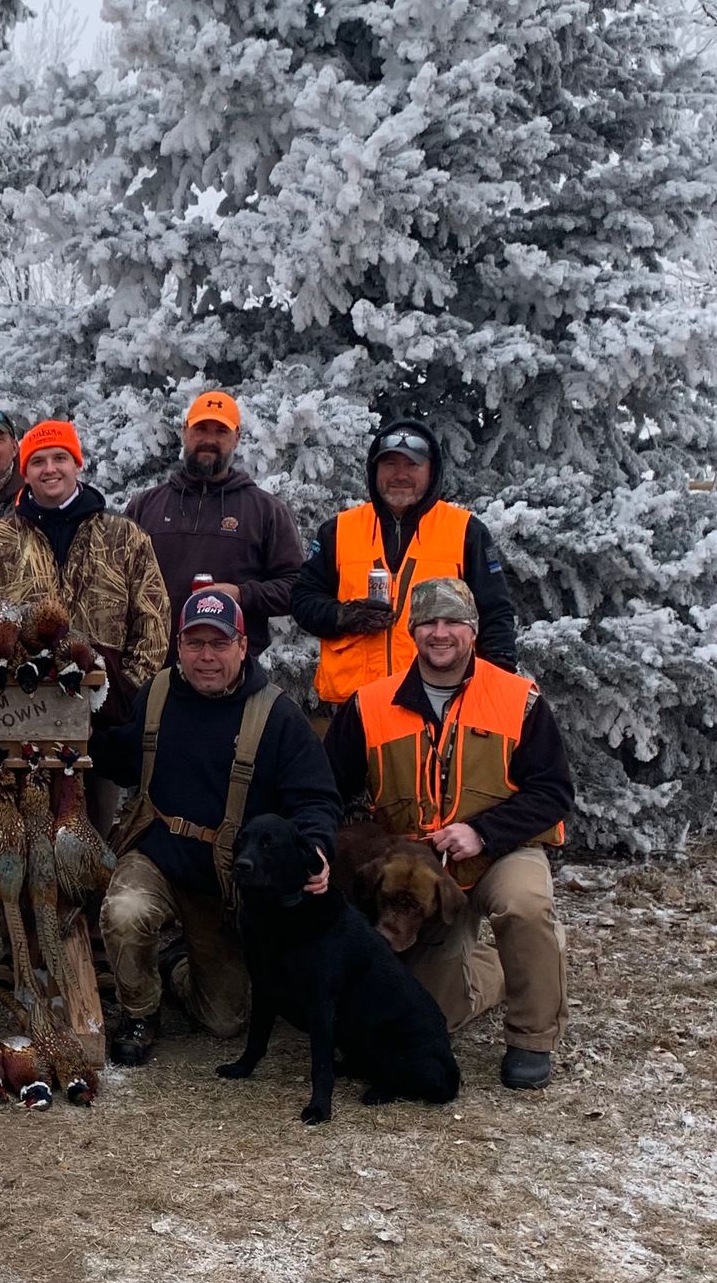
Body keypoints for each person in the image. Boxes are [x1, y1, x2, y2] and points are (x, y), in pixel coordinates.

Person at [324, 577, 572, 1088]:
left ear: (473, 630)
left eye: (453, 622)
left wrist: (483, 831)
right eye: (429, 622)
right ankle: (498, 970)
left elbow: (552, 791)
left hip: (501, 851)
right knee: (435, 1012)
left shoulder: (518, 699)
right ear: (412, 632)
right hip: (413, 875)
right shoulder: (370, 704)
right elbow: (326, 788)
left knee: (526, 906)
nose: (441, 633)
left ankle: (532, 1037)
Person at [91, 587, 341, 1066]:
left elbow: (315, 798)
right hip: (156, 856)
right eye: (194, 643)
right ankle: (139, 1012)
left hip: (226, 881)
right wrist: (67, 733)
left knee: (225, 1020)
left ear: (243, 647)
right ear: (179, 646)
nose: (206, 657)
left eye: (219, 644)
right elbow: (122, 757)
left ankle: (176, 964)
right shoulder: (158, 693)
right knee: (125, 909)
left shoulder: (278, 717)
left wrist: (316, 847)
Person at [291, 417, 516, 710]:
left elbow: (494, 614)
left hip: (437, 707)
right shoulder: (338, 530)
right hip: (351, 708)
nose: (400, 474)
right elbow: (302, 600)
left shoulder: (466, 532)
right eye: (390, 464)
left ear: (432, 470)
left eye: (412, 465)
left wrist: (495, 690)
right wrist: (343, 616)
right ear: (374, 470)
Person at [0, 421, 171, 721]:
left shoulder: (124, 535)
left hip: (107, 711)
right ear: (25, 472)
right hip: (23, 709)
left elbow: (154, 620)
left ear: (76, 465)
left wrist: (125, 691)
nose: (49, 469)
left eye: (60, 458)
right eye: (38, 461)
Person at [124, 391, 305, 653]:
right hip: (150, 669)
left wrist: (241, 594)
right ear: (184, 432)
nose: (209, 440)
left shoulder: (266, 510)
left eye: (221, 431)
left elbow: (297, 586)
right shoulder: (144, 507)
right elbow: (113, 585)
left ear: (237, 438)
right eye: (200, 429)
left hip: (234, 674)